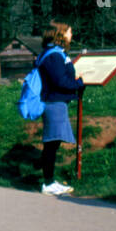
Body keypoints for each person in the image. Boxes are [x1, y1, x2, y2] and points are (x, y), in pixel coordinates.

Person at [37, 20, 85, 196]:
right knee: (51, 143)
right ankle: (48, 183)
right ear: (61, 34)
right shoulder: (54, 55)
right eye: (69, 32)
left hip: (53, 103)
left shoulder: (51, 53)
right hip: (54, 103)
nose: (71, 35)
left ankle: (49, 181)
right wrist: (79, 82)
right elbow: (60, 81)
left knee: (52, 143)